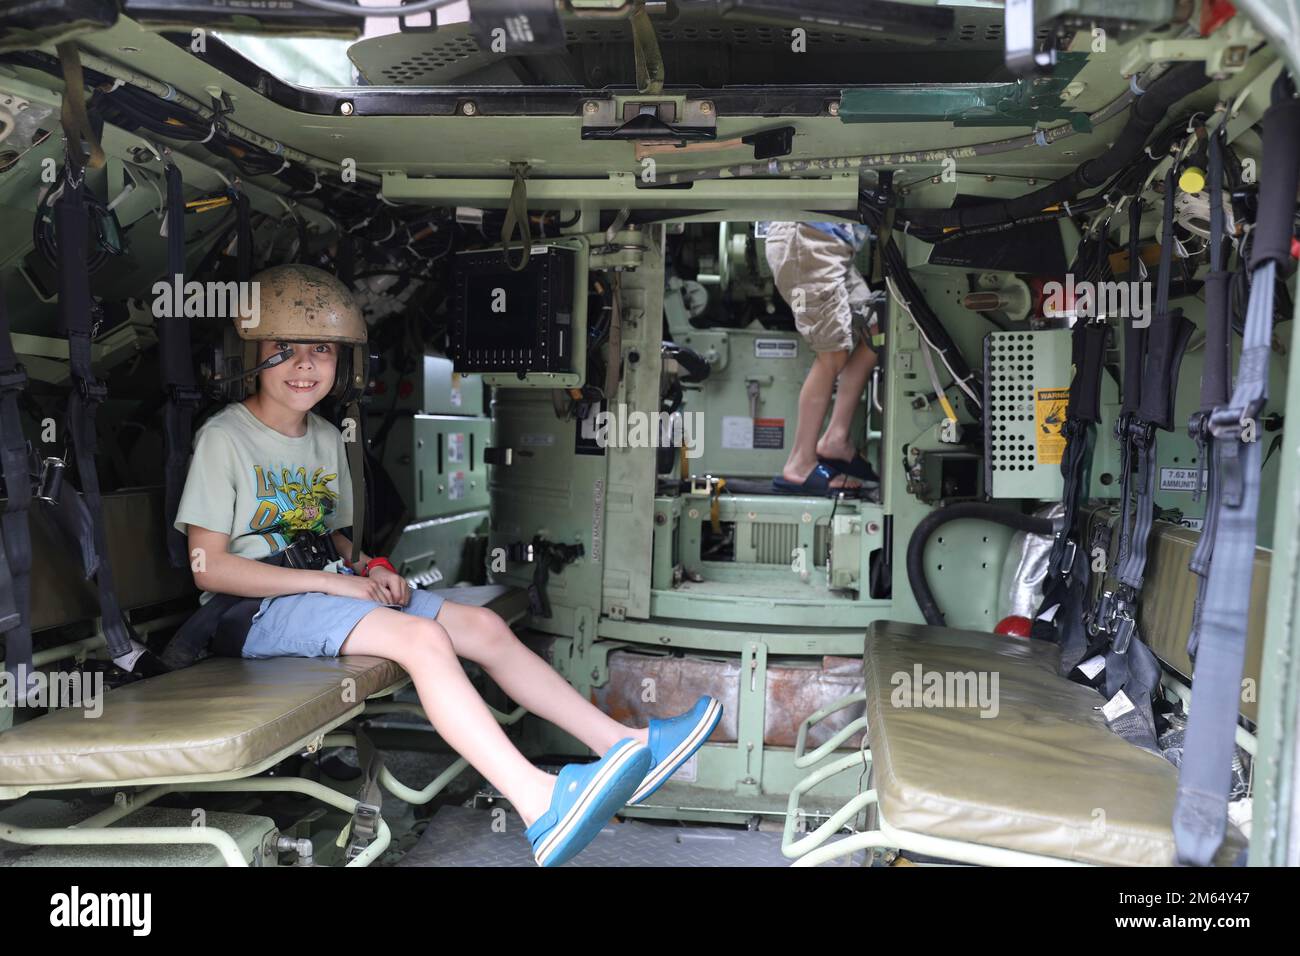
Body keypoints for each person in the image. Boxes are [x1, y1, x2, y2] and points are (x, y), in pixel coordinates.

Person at [173, 264, 723, 867]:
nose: (304, 366)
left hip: (328, 588)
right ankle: (538, 801)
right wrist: (337, 586)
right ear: (250, 354)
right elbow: (211, 569)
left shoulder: (328, 438)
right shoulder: (224, 438)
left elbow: (328, 535)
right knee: (423, 637)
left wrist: (369, 566)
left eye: (321, 350)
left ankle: (622, 745)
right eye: (284, 350)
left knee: (484, 629)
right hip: (254, 612)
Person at [763, 221, 883, 494]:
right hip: (808, 241)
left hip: (833, 245)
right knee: (832, 355)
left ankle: (835, 439)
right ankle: (799, 463)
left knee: (875, 332)